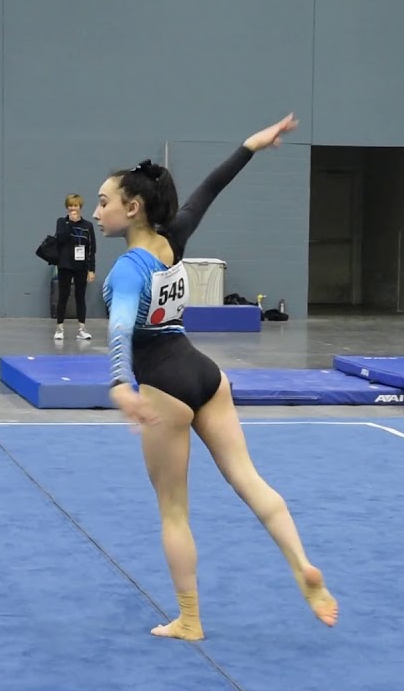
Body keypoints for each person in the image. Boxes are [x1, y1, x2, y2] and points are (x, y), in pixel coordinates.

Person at [94, 114, 337, 640]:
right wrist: (251, 145)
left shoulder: (128, 269)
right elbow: (210, 189)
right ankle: (301, 564)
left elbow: (118, 330)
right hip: (205, 373)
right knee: (249, 480)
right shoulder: (173, 238)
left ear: (132, 207)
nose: (97, 212)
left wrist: (119, 383)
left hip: (163, 386)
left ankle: (189, 619)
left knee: (174, 512)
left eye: (103, 202)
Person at [53, 193, 97, 341]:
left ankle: (82, 329)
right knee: (63, 296)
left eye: (75, 205)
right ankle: (59, 328)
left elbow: (92, 248)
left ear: (80, 207)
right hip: (65, 265)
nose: (73, 208)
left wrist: (91, 269)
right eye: (70, 205)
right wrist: (70, 224)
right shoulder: (62, 222)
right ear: (67, 208)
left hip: (81, 266)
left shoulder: (87, 226)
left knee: (80, 297)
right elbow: (61, 238)